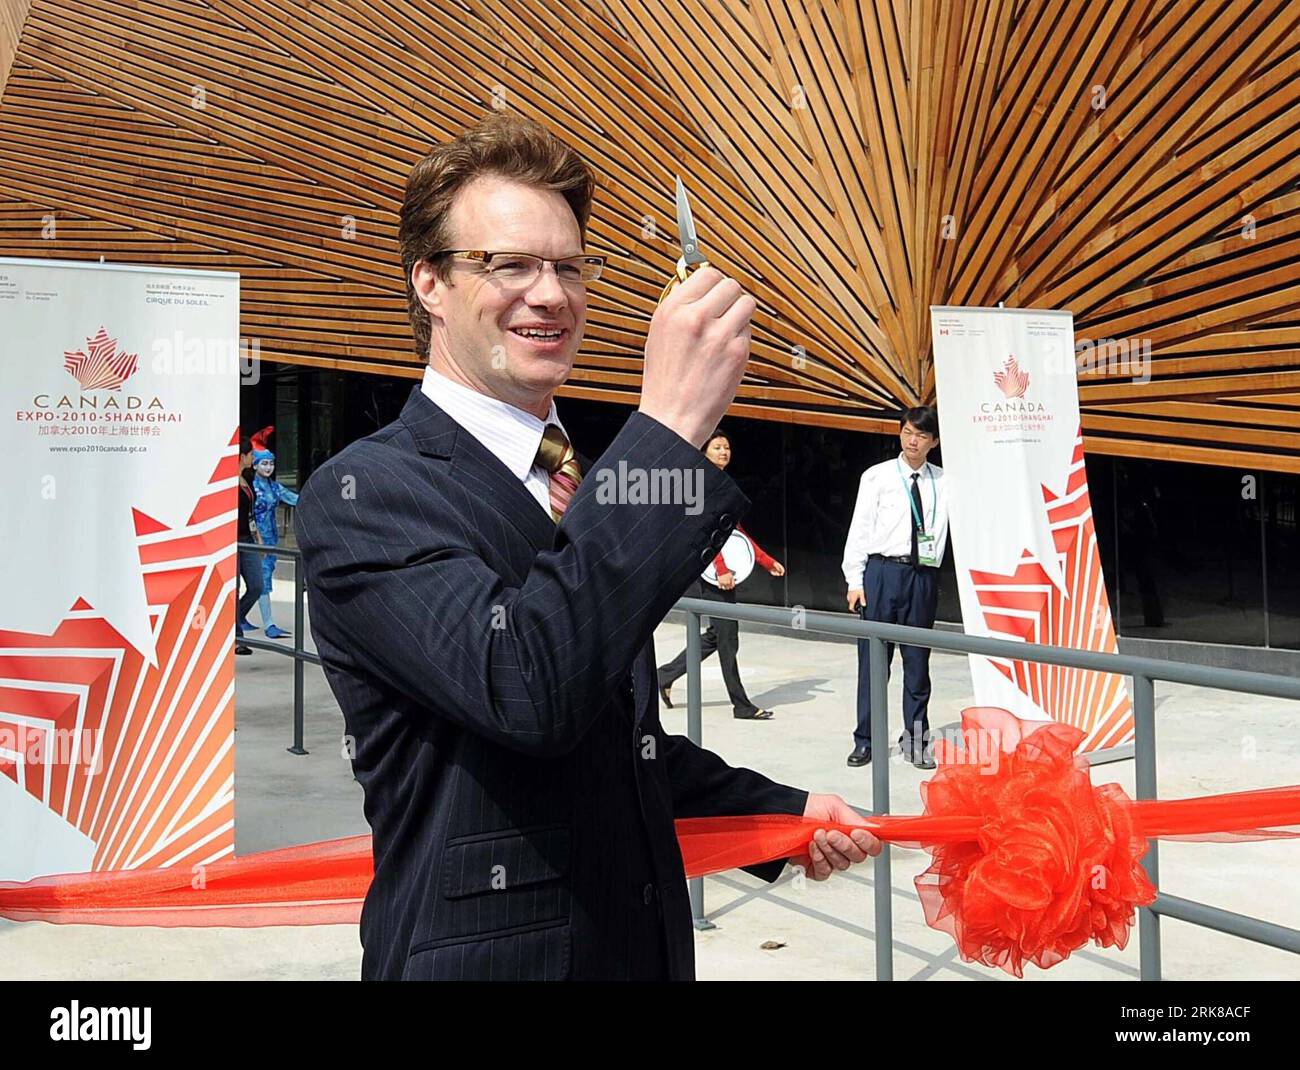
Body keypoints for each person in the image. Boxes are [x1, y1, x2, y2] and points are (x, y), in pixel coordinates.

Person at [296, 114, 880, 981]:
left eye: (569, 266)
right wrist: (674, 424)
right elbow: (528, 687)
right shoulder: (367, 495)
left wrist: (778, 814)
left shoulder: (588, 478)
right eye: (509, 264)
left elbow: (618, 740)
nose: (550, 293)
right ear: (429, 282)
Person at [841, 406, 950, 770]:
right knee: (874, 663)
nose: (912, 440)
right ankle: (865, 739)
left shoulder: (944, 482)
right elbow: (859, 529)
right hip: (881, 573)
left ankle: (916, 740)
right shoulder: (877, 477)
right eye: (907, 432)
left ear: (933, 441)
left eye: (920, 435)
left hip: (922, 576)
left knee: (917, 665)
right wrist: (855, 580)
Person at [657, 427, 786, 720]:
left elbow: (733, 532)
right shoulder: (702, 485)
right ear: (704, 452)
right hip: (714, 574)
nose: (724, 452)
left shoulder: (720, 482)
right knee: (728, 639)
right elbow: (705, 533)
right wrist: (722, 571)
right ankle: (741, 705)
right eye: (717, 447)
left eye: (726, 447)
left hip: (722, 571)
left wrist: (766, 561)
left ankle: (663, 677)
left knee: (718, 635)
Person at [248, 426, 299, 639]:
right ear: (255, 464)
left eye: (271, 463)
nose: (268, 467)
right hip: (255, 541)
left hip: (271, 541)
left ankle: (240, 615)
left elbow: (295, 499)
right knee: (262, 582)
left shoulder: (274, 488)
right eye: (264, 463)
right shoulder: (250, 488)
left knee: (259, 582)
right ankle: (268, 624)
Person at [234, 437, 262, 656]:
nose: (253, 457)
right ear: (241, 456)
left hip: (248, 539)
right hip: (232, 542)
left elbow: (251, 513)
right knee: (232, 590)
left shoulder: (247, 480)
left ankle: (234, 619)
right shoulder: (226, 482)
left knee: (256, 586)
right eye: (251, 454)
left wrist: (257, 536)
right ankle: (237, 638)